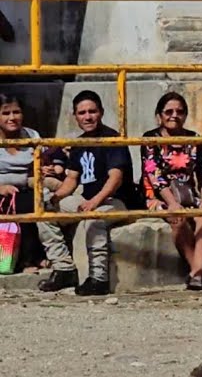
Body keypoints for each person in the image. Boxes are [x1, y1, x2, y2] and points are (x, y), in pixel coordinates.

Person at [39, 90, 140, 296]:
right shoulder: (79, 144)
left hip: (116, 201)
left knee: (94, 221)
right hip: (89, 199)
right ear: (75, 116)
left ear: (101, 113)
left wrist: (94, 202)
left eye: (92, 111)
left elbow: (115, 178)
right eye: (82, 112)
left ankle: (98, 279)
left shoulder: (112, 139)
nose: (87, 117)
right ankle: (64, 268)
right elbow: (71, 180)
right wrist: (56, 198)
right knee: (43, 212)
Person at [140, 92, 202, 291]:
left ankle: (196, 274)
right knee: (177, 220)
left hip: (189, 195)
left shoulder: (194, 139)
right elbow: (154, 175)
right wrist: (171, 202)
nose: (174, 115)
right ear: (159, 115)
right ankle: (199, 273)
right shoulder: (150, 139)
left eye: (179, 112)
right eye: (168, 111)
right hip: (157, 197)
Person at [0, 93, 45, 273]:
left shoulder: (31, 135)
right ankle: (27, 261)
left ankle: (39, 255)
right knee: (23, 206)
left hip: (26, 188)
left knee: (40, 202)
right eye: (5, 113)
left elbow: (43, 161)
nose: (12, 118)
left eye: (16, 112)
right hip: (3, 192)